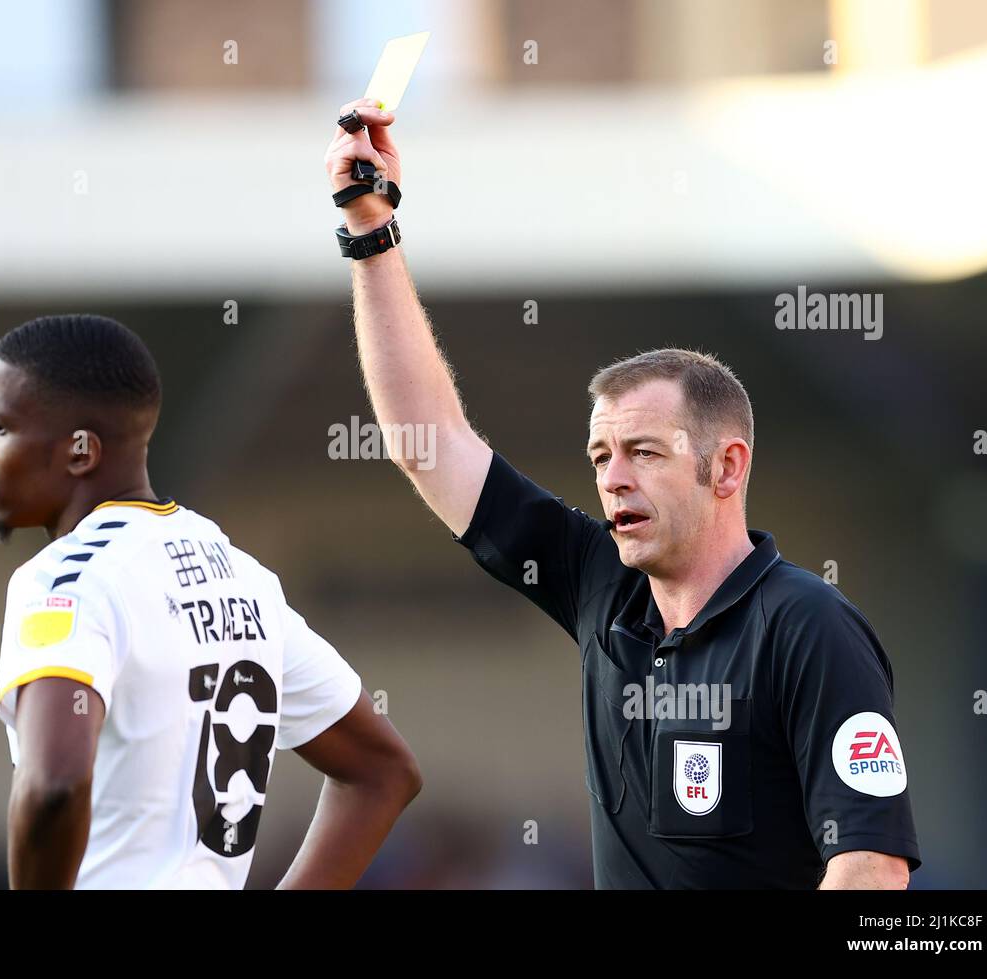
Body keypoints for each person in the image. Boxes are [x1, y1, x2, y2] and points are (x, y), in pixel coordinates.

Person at [324, 100, 919, 889]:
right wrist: (371, 234)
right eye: (601, 454)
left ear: (727, 466)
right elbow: (429, 443)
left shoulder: (807, 626)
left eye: (644, 451)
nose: (612, 476)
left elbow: (870, 867)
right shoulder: (602, 585)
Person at [0, 314, 420, 888]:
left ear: (81, 452)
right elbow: (382, 772)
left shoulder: (65, 580)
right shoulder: (242, 576)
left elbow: (55, 785)